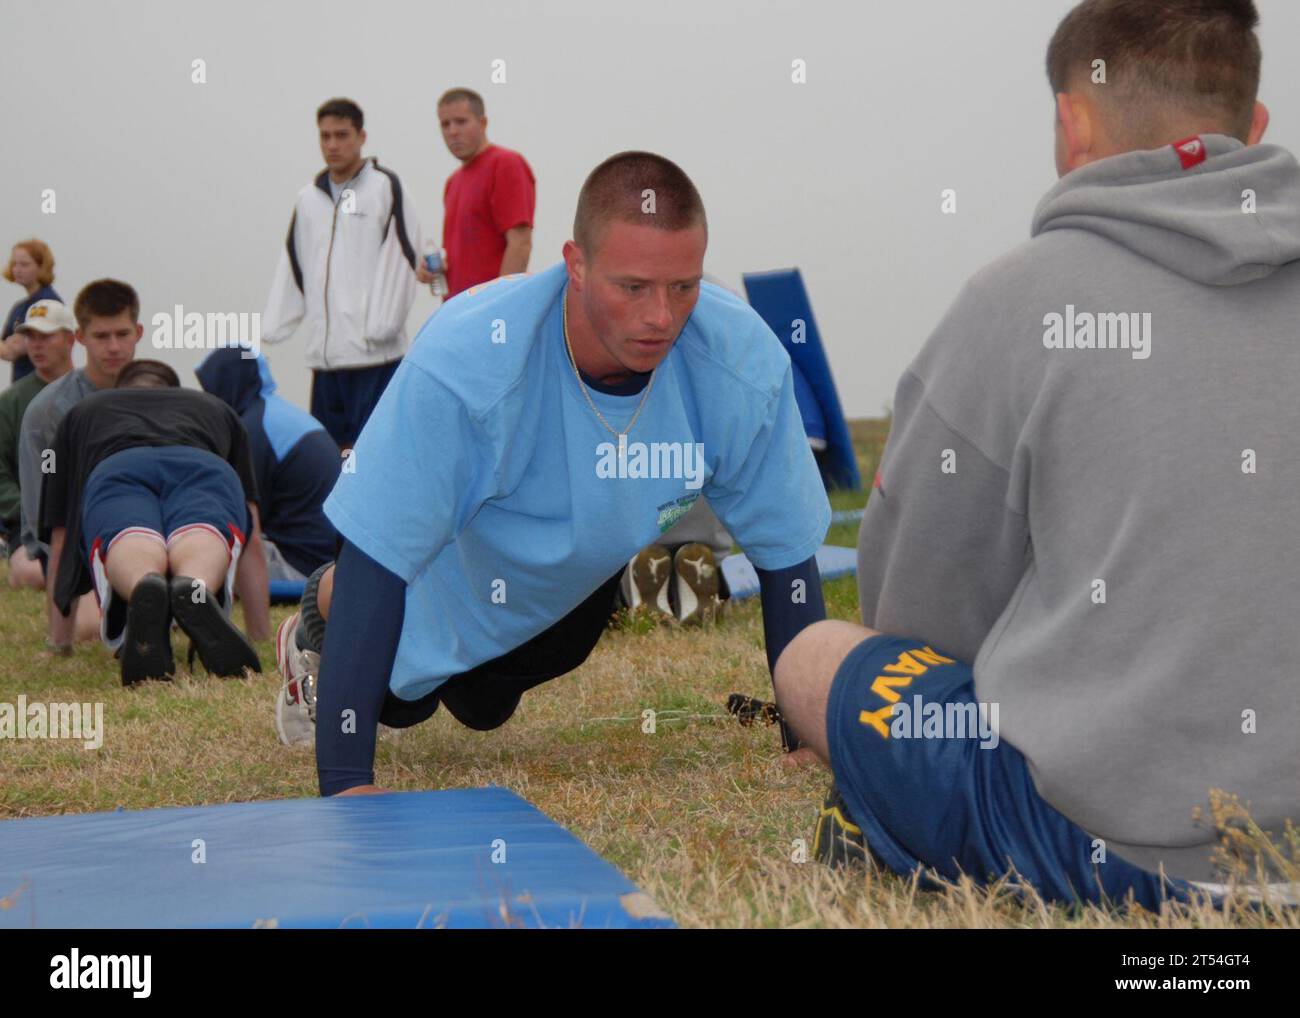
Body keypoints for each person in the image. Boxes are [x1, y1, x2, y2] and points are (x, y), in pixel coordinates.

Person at [773, 0, 1299, 910]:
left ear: (1072, 119)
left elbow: (920, 621)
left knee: (815, 656)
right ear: (1252, 130)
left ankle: (888, 829)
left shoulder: (1016, 302)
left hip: (1106, 849)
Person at [273, 152, 832, 802]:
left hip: (565, 578)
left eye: (683, 286)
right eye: (632, 287)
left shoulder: (740, 363)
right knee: (399, 703)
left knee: (487, 706)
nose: (661, 316)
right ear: (576, 265)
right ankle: (315, 619)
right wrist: (347, 786)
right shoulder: (470, 358)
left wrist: (806, 739)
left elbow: (788, 561)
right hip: (440, 568)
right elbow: (378, 555)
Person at [40, 360, 268, 684]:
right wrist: (260, 635)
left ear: (120, 391)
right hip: (203, 465)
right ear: (175, 390)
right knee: (201, 530)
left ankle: (143, 586)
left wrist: (58, 643)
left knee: (129, 533)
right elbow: (253, 536)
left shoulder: (85, 410)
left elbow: (60, 542)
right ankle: (194, 586)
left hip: (117, 467)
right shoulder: (215, 408)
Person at [262, 97, 424, 450]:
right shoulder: (308, 199)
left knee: (375, 456)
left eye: (342, 135)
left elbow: (404, 257)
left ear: (361, 136)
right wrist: (273, 326)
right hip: (325, 360)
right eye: (325, 137)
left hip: (376, 357)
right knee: (328, 460)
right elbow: (293, 264)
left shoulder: (386, 188)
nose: (333, 145)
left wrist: (381, 327)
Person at [19, 279, 143, 651]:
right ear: (80, 337)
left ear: (138, 332)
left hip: (147, 535)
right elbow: (41, 516)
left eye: (122, 334)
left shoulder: (157, 394)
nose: (114, 347)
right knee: (90, 628)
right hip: (76, 547)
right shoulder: (48, 412)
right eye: (102, 336)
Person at [195, 347, 341, 583]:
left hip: (302, 566)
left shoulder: (253, 430)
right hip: (331, 562)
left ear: (228, 382)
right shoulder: (278, 414)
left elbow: (243, 518)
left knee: (201, 549)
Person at [0, 302, 87, 610]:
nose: (35, 345)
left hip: (91, 515)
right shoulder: (11, 402)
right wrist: (26, 511)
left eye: (46, 336)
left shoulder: (94, 391)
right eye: (30, 336)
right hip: (29, 525)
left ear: (70, 338)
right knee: (32, 571)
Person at [420, 88, 535, 298]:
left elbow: (520, 244)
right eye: (445, 124)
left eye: (461, 122)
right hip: (458, 312)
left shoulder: (505, 164)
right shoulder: (453, 182)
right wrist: (432, 270)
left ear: (483, 123)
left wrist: (498, 305)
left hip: (488, 313)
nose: (453, 131)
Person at [1, 239, 61, 384]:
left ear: (42, 267)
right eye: (14, 264)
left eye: (24, 264)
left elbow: (11, 351)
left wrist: (13, 344)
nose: (17, 270)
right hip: (22, 386)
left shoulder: (46, 303)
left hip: (41, 389)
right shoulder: (20, 307)